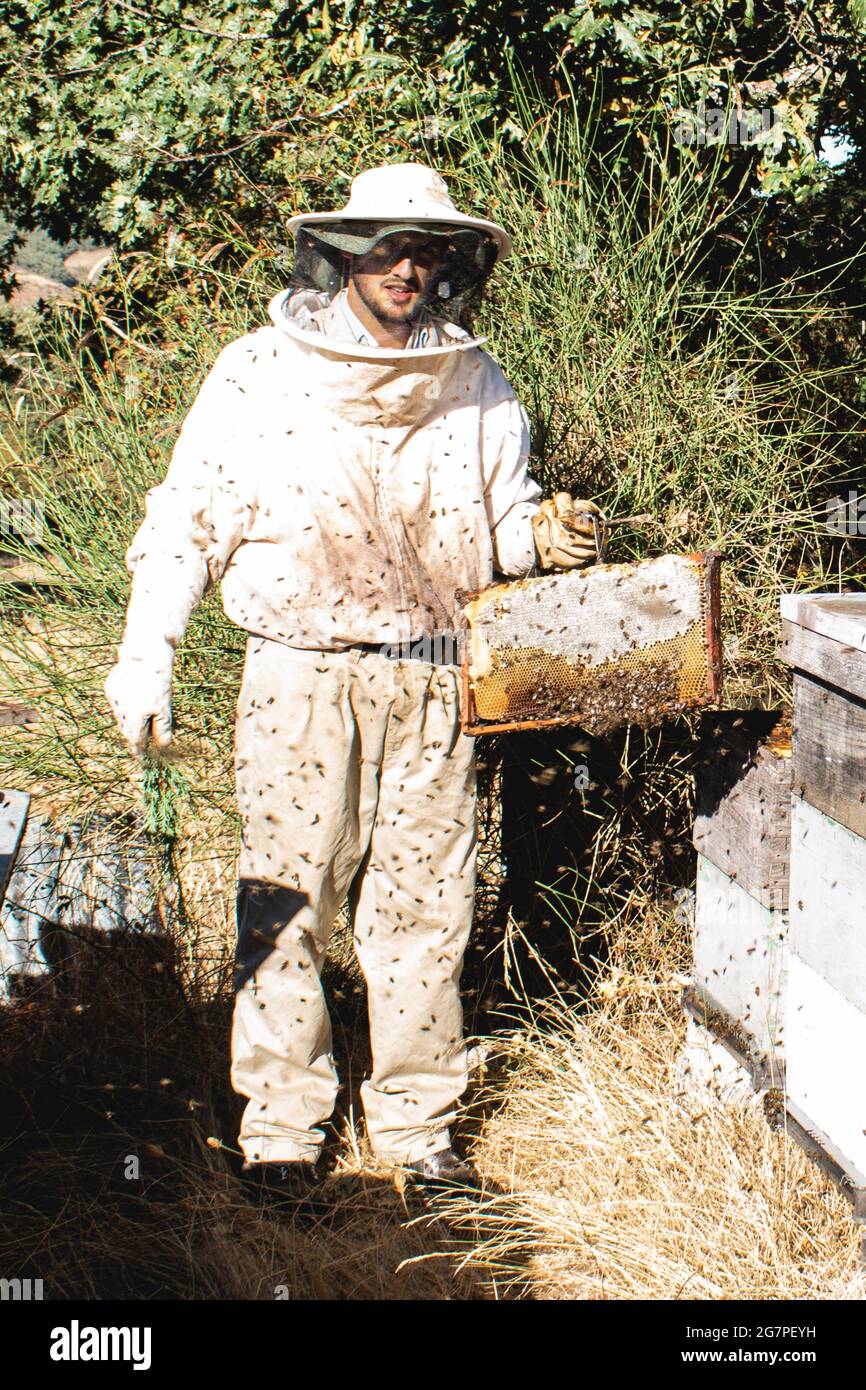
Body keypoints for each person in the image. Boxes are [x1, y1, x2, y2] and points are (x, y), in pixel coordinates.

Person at [104, 162, 604, 1196]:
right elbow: (185, 520)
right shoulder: (255, 371)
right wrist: (146, 648)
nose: (406, 268)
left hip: (433, 677)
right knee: (286, 902)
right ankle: (282, 1134)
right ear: (341, 251)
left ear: (453, 265)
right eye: (386, 245)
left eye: (427, 251)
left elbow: (496, 530)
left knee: (427, 907)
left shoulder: (479, 382)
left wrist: (544, 535)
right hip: (298, 673)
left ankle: (418, 1128)